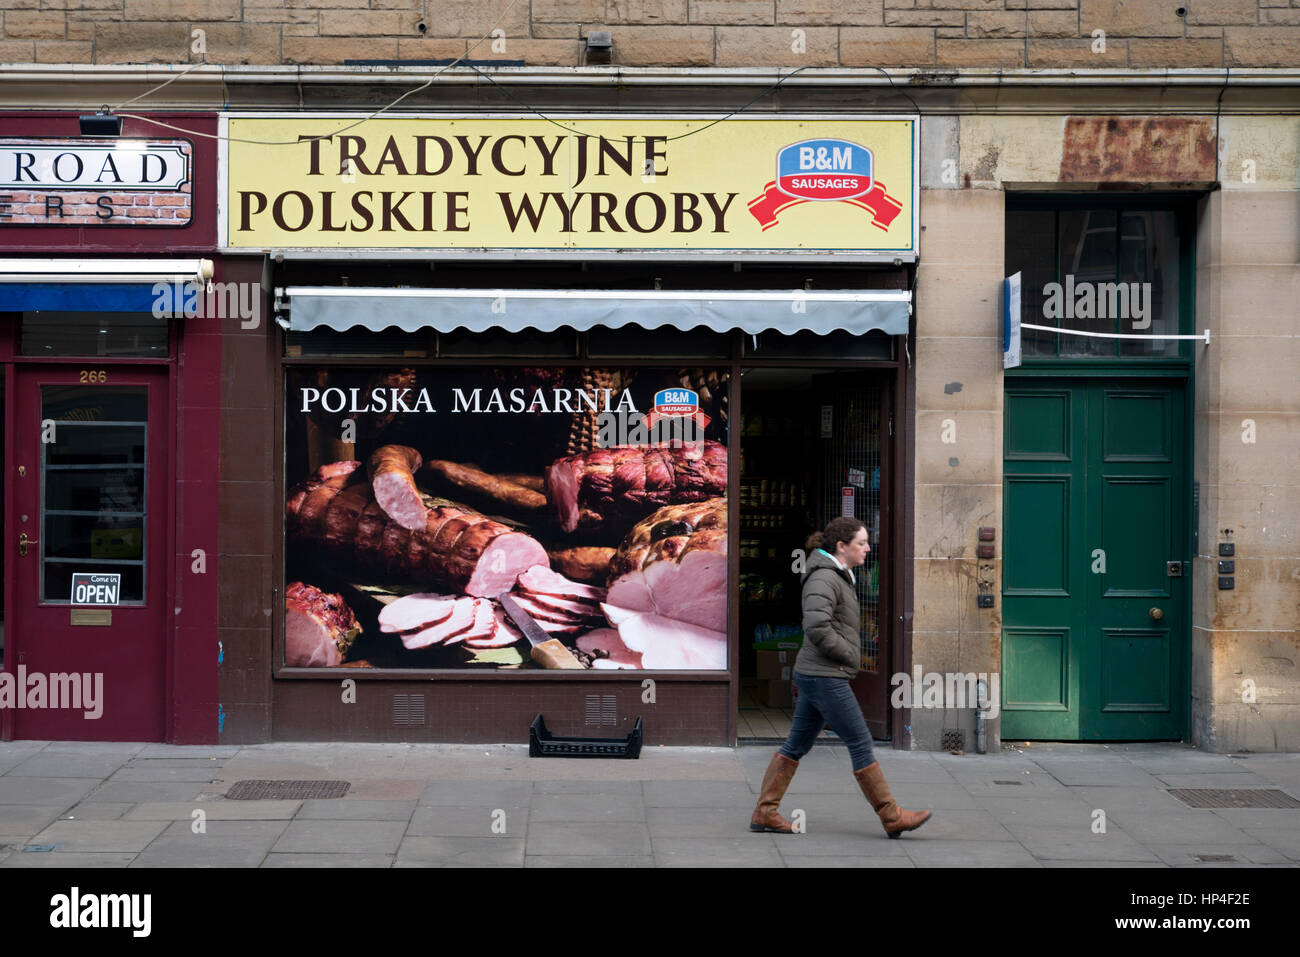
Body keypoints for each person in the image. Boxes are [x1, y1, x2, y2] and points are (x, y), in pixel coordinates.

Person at [750, 516, 932, 838]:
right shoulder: (824, 578)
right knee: (860, 741)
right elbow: (817, 626)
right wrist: (849, 655)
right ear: (841, 546)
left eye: (866, 542)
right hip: (824, 676)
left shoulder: (838, 574)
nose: (867, 548)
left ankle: (765, 811)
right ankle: (891, 816)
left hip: (815, 673)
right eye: (861, 543)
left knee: (797, 744)